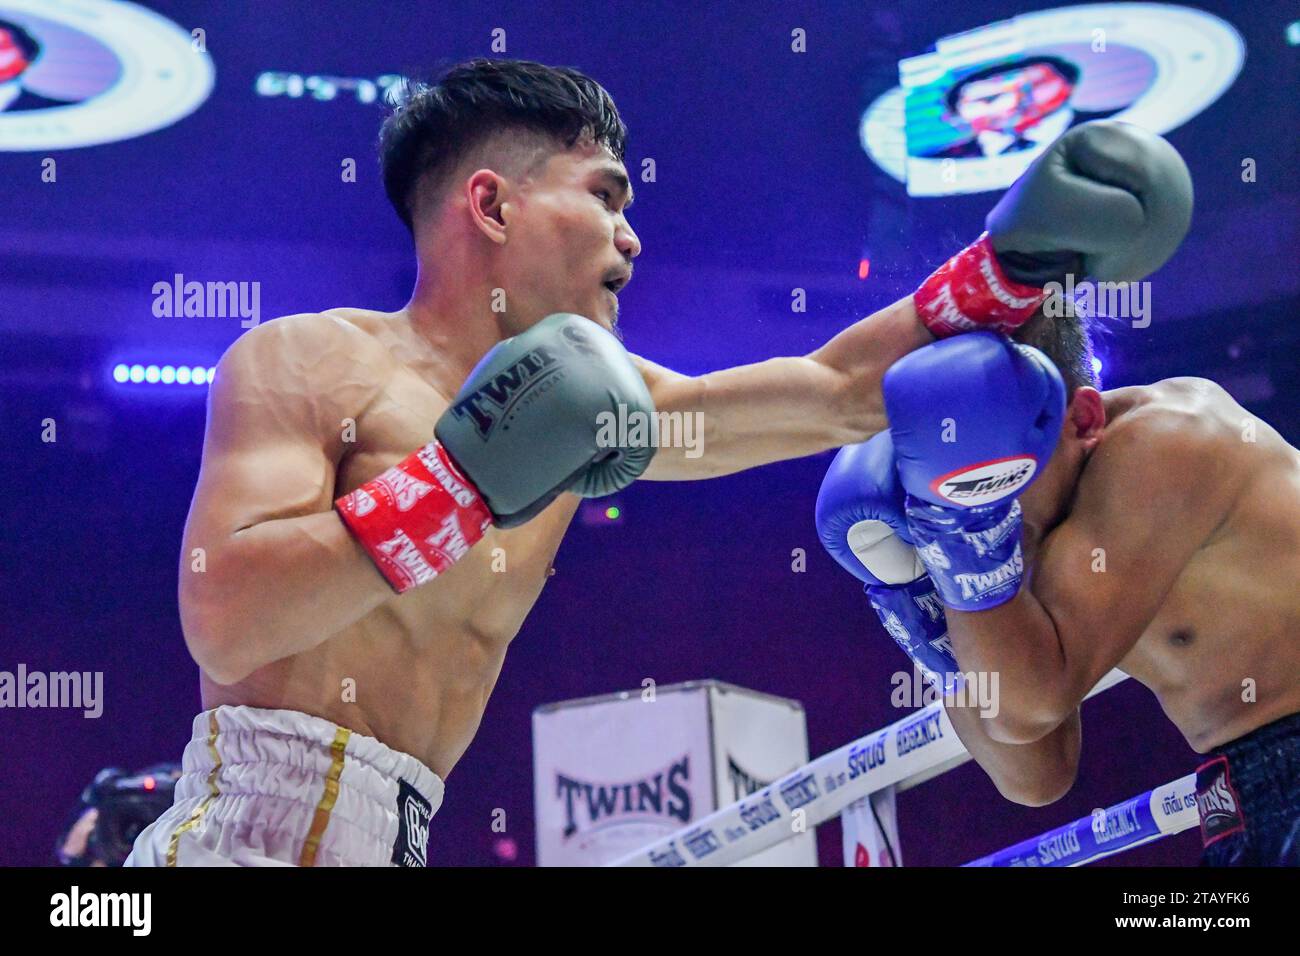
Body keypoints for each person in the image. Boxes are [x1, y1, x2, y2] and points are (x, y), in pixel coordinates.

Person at [126, 57, 1189, 866]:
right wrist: (458, 485)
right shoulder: (308, 358)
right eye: (605, 195)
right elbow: (227, 616)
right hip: (252, 829)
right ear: (493, 205)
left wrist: (1008, 264)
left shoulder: (601, 411)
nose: (631, 237)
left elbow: (830, 394)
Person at [817, 308, 1300, 866]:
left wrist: (960, 532)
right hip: (1239, 800)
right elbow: (1032, 773)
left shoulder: (1170, 441)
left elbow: (1026, 708)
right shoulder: (1009, 527)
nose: (990, 493)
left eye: (1001, 465)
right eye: (957, 463)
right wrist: (916, 593)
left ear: (1083, 420)